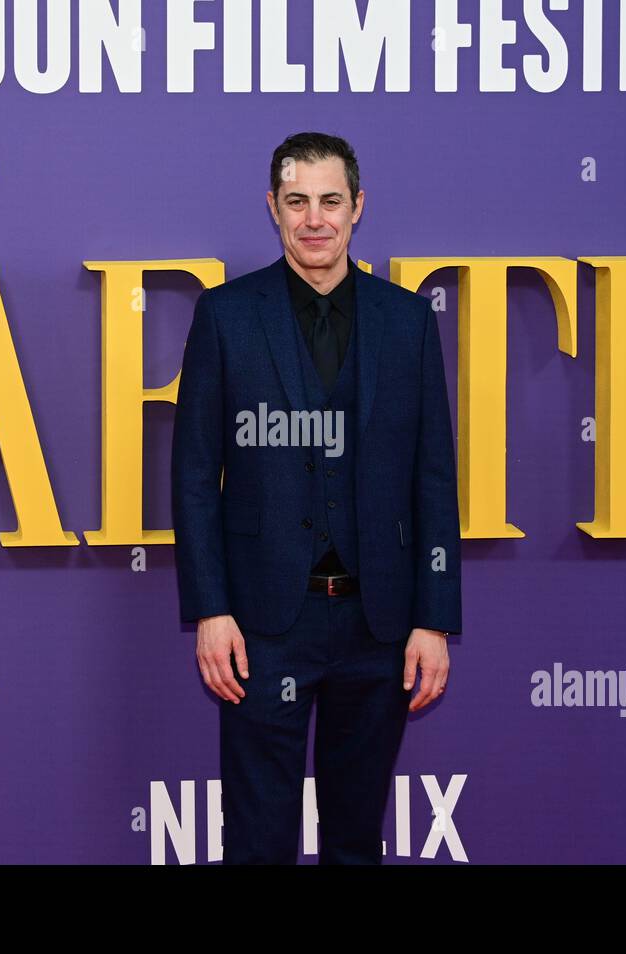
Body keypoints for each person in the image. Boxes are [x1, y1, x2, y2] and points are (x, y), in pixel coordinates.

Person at [170, 131, 462, 864]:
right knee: (258, 843)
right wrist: (211, 609)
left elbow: (434, 478)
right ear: (273, 208)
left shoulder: (407, 321)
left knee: (356, 842)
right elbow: (195, 477)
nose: (315, 219)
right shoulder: (226, 317)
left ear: (357, 207)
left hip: (379, 625)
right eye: (297, 202)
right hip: (263, 630)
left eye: (331, 201)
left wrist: (433, 617)